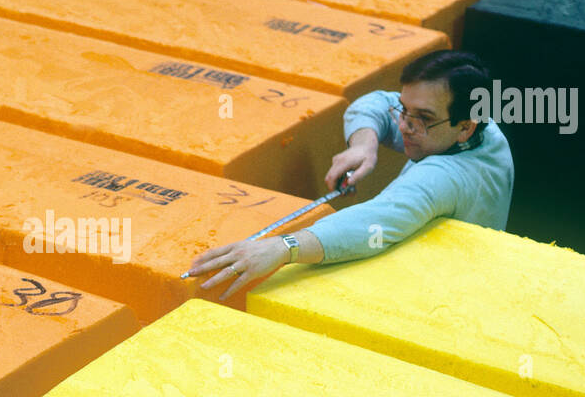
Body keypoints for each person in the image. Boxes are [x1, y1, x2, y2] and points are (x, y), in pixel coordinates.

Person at [187, 50, 513, 300]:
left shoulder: (448, 177)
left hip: (445, 294)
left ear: (464, 127)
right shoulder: (472, 130)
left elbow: (374, 222)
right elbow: (375, 103)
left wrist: (282, 248)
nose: (403, 125)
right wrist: (364, 145)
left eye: (422, 117)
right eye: (404, 109)